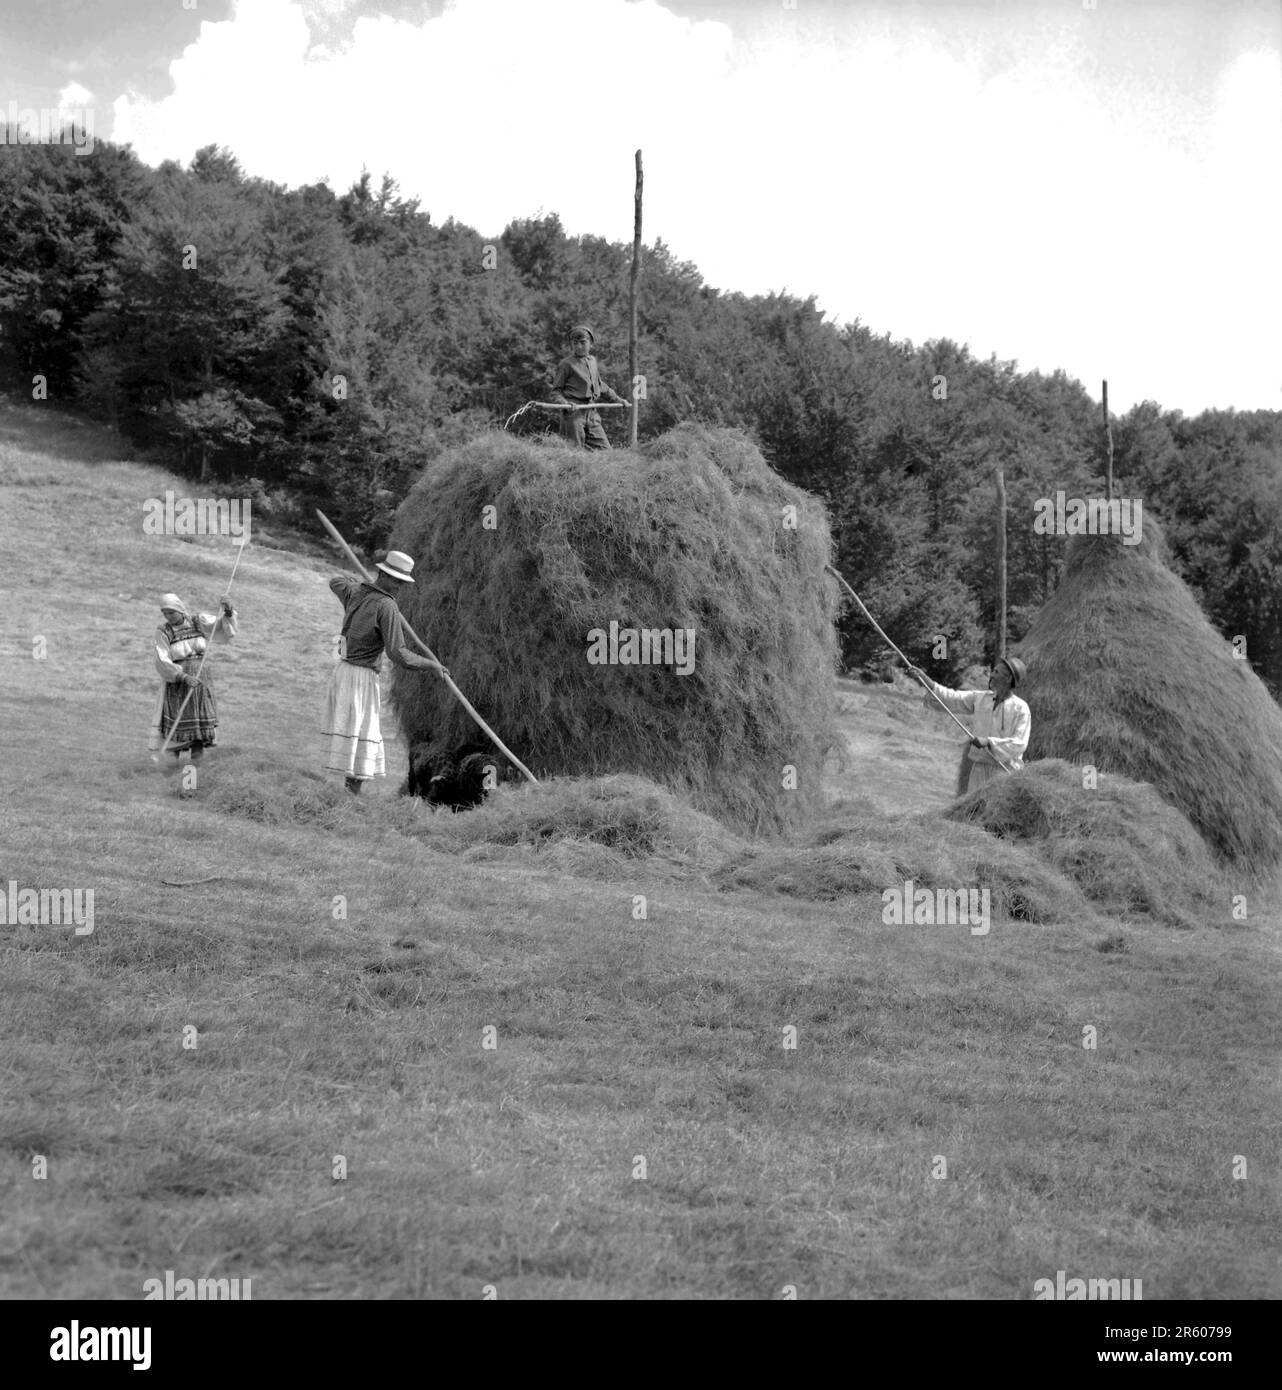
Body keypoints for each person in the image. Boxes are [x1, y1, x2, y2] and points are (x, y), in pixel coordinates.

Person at [323, 550, 446, 794]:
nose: (400, 586)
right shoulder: (387, 606)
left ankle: (347, 794)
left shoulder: (355, 592)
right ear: (384, 574)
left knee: (354, 733)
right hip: (361, 677)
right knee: (361, 734)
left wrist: (359, 584)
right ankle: (351, 797)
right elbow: (398, 653)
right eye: (397, 580)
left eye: (402, 582)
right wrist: (431, 665)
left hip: (342, 672)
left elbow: (335, 581)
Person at [905, 655, 1031, 794]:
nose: (992, 675)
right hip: (978, 769)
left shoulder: (1021, 708)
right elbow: (952, 698)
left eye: (996, 672)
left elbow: (1019, 743)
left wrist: (989, 742)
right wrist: (925, 680)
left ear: (1008, 679)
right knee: (974, 810)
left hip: (1004, 773)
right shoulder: (982, 698)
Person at [149, 591, 238, 765]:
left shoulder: (198, 622)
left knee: (198, 737)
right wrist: (181, 676)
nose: (168, 617)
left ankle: (194, 775)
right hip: (178, 684)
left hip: (201, 679)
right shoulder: (163, 631)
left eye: (171, 612)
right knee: (176, 729)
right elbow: (162, 659)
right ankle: (171, 771)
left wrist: (228, 611)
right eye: (164, 613)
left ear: (180, 610)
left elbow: (221, 628)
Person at [548, 324, 629, 450]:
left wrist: (618, 400)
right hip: (573, 415)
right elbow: (555, 392)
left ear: (591, 343)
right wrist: (565, 403)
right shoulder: (566, 364)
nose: (579, 346)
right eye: (575, 343)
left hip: (591, 413)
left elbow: (601, 386)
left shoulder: (592, 362)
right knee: (575, 453)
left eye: (582, 342)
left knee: (606, 451)